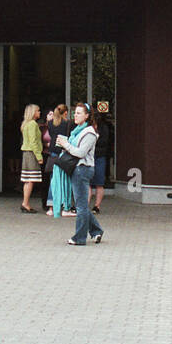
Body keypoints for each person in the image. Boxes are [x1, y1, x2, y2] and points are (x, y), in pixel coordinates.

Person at [57, 102, 104, 246]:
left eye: (78, 113)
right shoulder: (78, 131)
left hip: (82, 169)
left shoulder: (89, 133)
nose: (75, 116)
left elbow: (81, 153)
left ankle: (79, 238)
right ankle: (96, 231)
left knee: (81, 206)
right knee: (81, 204)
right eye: (74, 113)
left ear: (87, 116)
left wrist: (66, 145)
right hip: (78, 169)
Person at [45, 104, 75, 217]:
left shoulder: (51, 123)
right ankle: (64, 206)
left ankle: (51, 207)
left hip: (53, 153)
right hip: (63, 152)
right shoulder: (68, 123)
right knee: (65, 181)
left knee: (53, 181)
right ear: (66, 112)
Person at [19, 104, 42, 213]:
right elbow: (33, 142)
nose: (39, 112)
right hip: (31, 154)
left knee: (27, 179)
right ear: (33, 112)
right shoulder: (33, 124)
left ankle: (25, 202)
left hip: (26, 153)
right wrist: (39, 156)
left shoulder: (26, 124)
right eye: (38, 111)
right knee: (31, 179)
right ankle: (25, 203)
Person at [91, 112, 113, 213]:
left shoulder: (103, 128)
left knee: (99, 182)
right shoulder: (88, 127)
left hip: (99, 156)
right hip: (90, 157)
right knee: (88, 183)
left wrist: (93, 140)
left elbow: (104, 141)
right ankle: (85, 206)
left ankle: (97, 206)